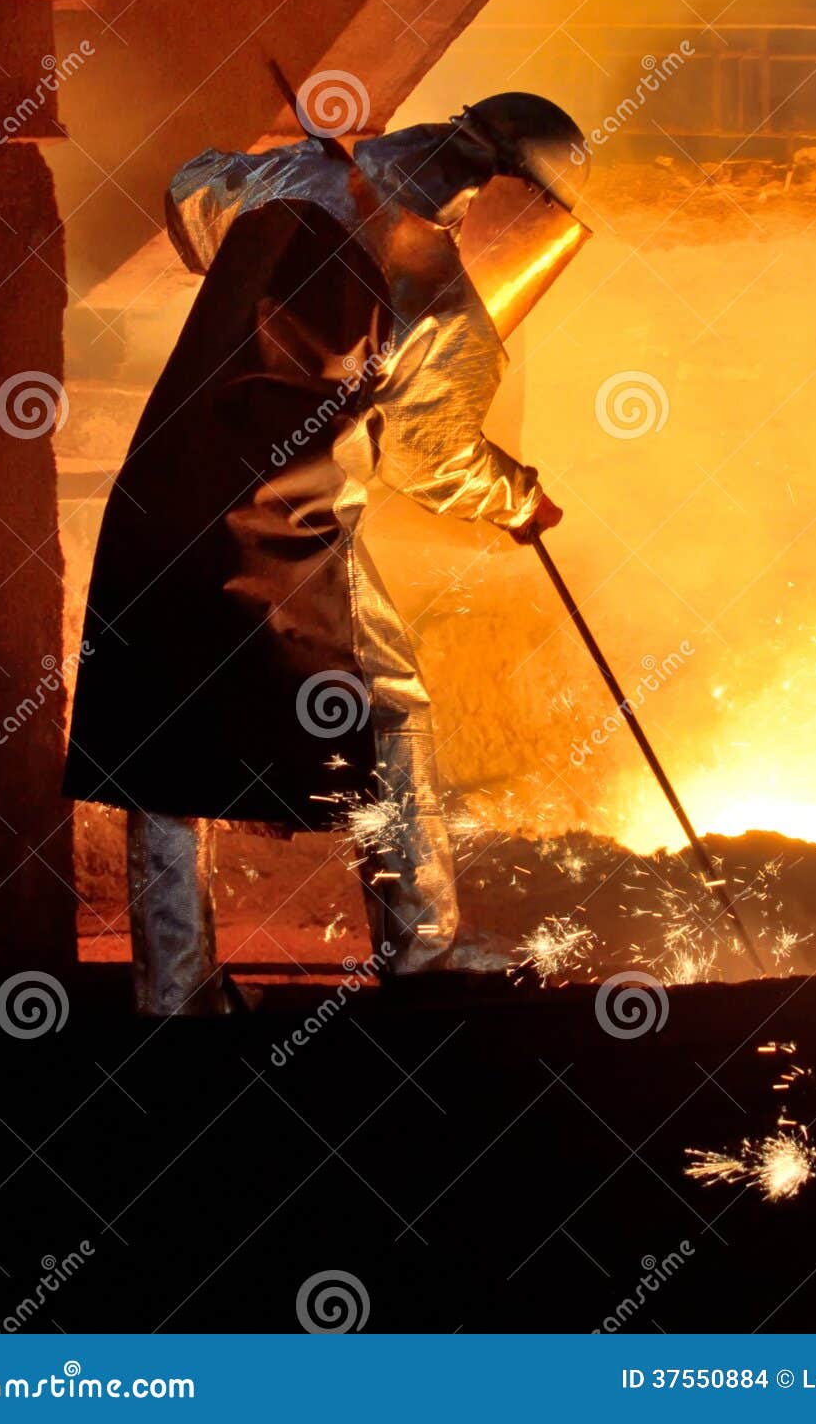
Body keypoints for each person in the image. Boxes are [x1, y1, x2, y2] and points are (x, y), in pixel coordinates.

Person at [62, 91, 590, 1015]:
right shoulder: (440, 300)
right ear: (510, 191)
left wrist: (281, 177)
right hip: (282, 530)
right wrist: (517, 498)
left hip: (158, 501)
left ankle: (174, 995)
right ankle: (421, 953)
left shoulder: (287, 175)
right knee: (388, 710)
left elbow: (192, 190)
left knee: (160, 740)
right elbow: (431, 460)